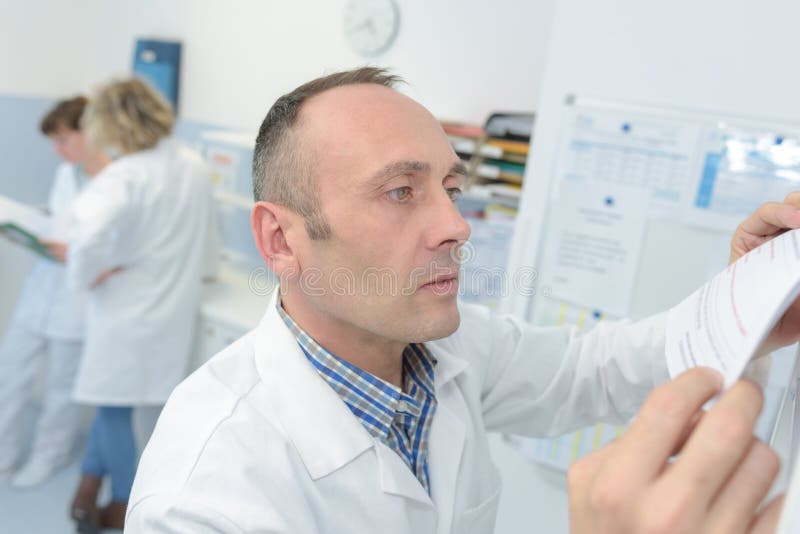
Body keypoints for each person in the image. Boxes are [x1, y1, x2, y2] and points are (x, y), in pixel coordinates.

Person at [125, 67, 800, 533]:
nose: (455, 223)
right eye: (401, 191)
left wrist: (755, 302)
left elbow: (589, 371)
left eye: (451, 185)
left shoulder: (445, 348)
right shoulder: (206, 498)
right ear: (281, 238)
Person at [62, 78, 218, 533]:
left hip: (126, 306)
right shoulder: (190, 162)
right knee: (119, 400)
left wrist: (88, 276)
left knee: (110, 405)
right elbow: (208, 234)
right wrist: (203, 270)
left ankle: (128, 504)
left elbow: (86, 236)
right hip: (174, 301)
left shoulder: (124, 174)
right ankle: (90, 483)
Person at [0, 96, 108, 488]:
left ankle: (50, 455)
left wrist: (75, 252)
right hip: (42, 287)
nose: (57, 149)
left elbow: (115, 246)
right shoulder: (67, 175)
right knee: (9, 372)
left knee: (61, 387)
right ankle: (4, 452)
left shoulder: (114, 182)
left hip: (76, 298)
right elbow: (62, 222)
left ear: (89, 133)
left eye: (64, 139)